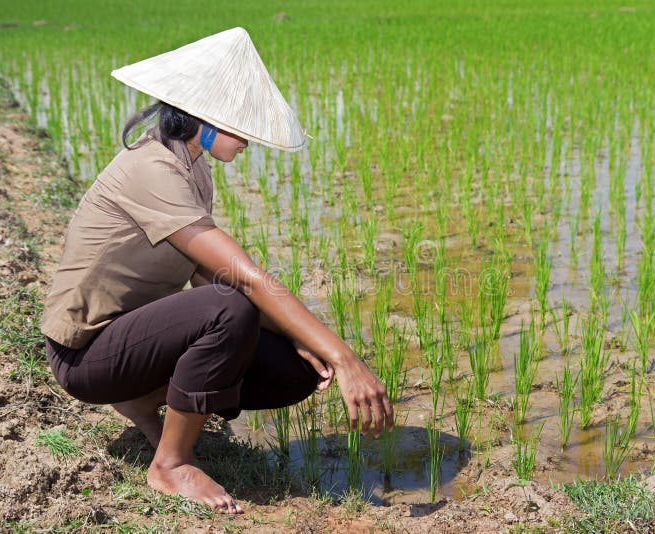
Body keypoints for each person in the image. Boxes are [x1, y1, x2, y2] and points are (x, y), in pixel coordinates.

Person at [40, 28, 393, 515]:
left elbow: (207, 279)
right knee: (231, 307)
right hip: (84, 354)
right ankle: (169, 464)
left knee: (294, 371)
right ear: (204, 120)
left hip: (129, 341)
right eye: (241, 126)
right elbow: (240, 280)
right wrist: (347, 358)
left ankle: (143, 399)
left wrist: (302, 341)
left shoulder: (193, 166)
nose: (248, 140)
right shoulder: (152, 170)